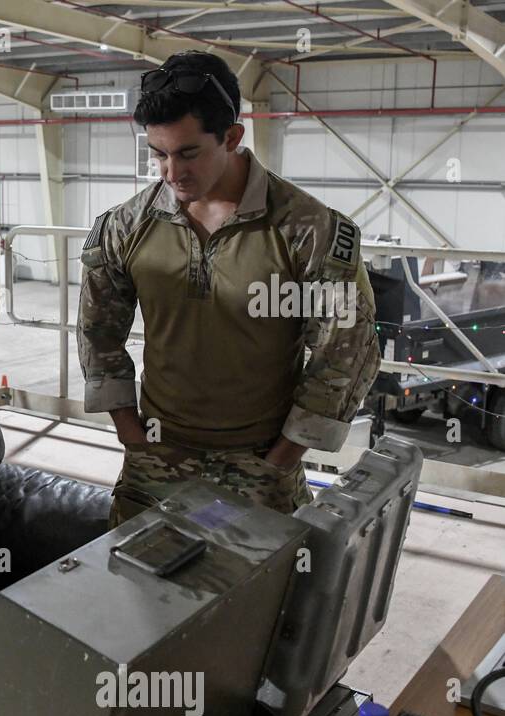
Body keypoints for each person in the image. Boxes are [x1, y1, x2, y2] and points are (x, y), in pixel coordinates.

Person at [78, 50, 380, 526]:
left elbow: (347, 349)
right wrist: (131, 435)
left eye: (188, 153)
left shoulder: (308, 230)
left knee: (263, 577)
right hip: (155, 457)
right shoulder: (125, 226)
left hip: (260, 462)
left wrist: (281, 458)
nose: (171, 173)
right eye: (158, 154)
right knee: (131, 575)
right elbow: (98, 332)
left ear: (232, 137)